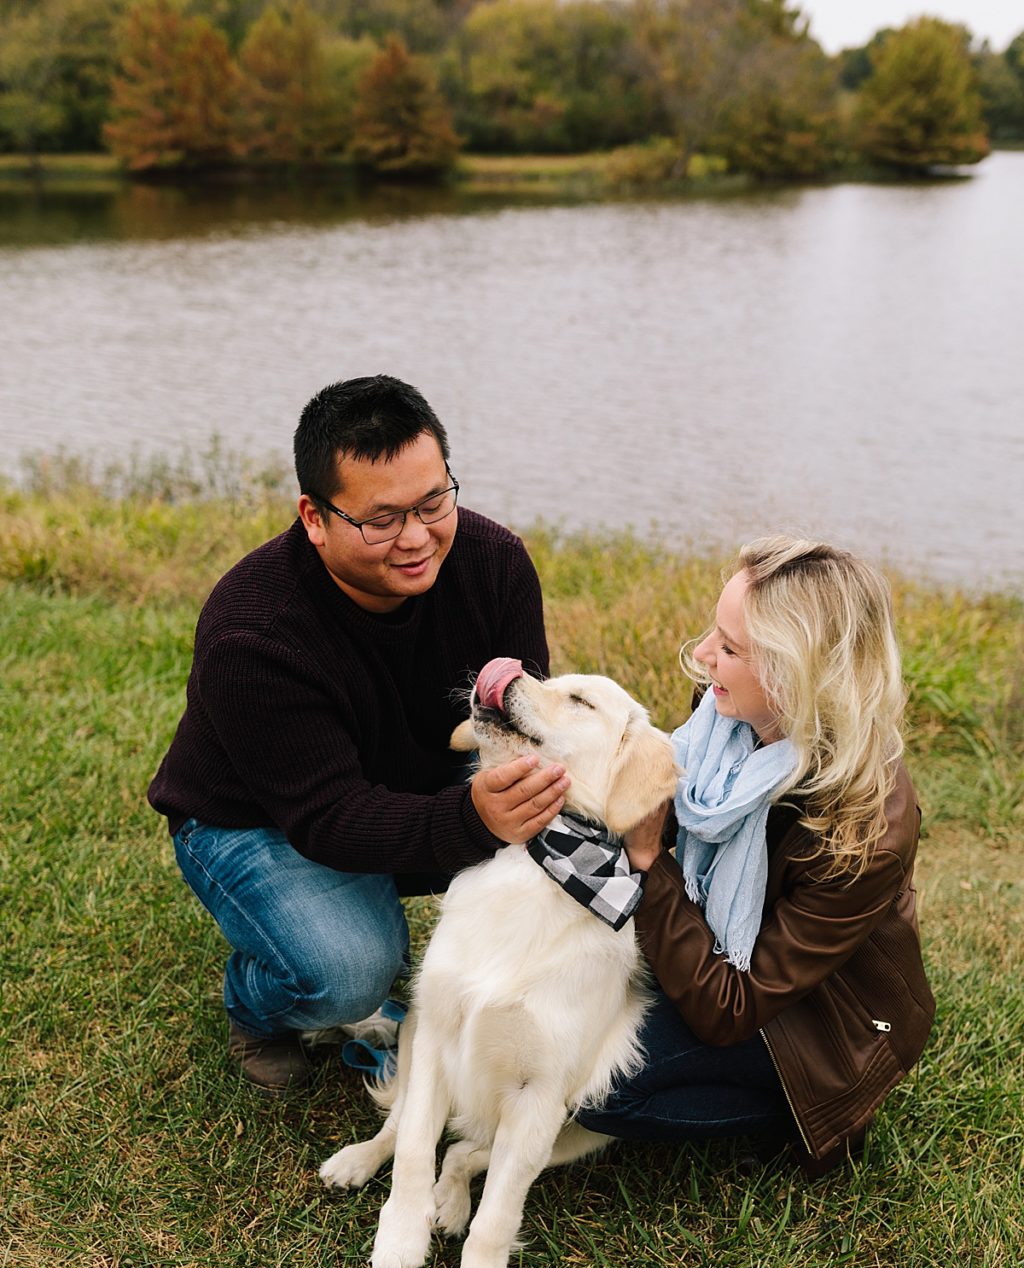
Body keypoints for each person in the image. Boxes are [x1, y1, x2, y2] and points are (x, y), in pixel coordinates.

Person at [148, 375, 567, 1095]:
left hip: (413, 787)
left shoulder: (496, 564)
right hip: (256, 821)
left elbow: (520, 728)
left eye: (434, 501)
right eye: (382, 520)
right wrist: (471, 820)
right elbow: (328, 818)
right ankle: (256, 1002)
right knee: (351, 974)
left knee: (582, 841)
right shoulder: (253, 634)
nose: (417, 537)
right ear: (314, 517)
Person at [576, 535, 935, 1175]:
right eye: (715, 632)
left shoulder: (865, 836)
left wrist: (649, 855)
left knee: (592, 1088)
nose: (703, 656)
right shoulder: (727, 719)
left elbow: (730, 1007)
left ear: (799, 675)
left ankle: (803, 1111)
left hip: (814, 1023)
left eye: (731, 648)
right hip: (718, 951)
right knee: (564, 1017)